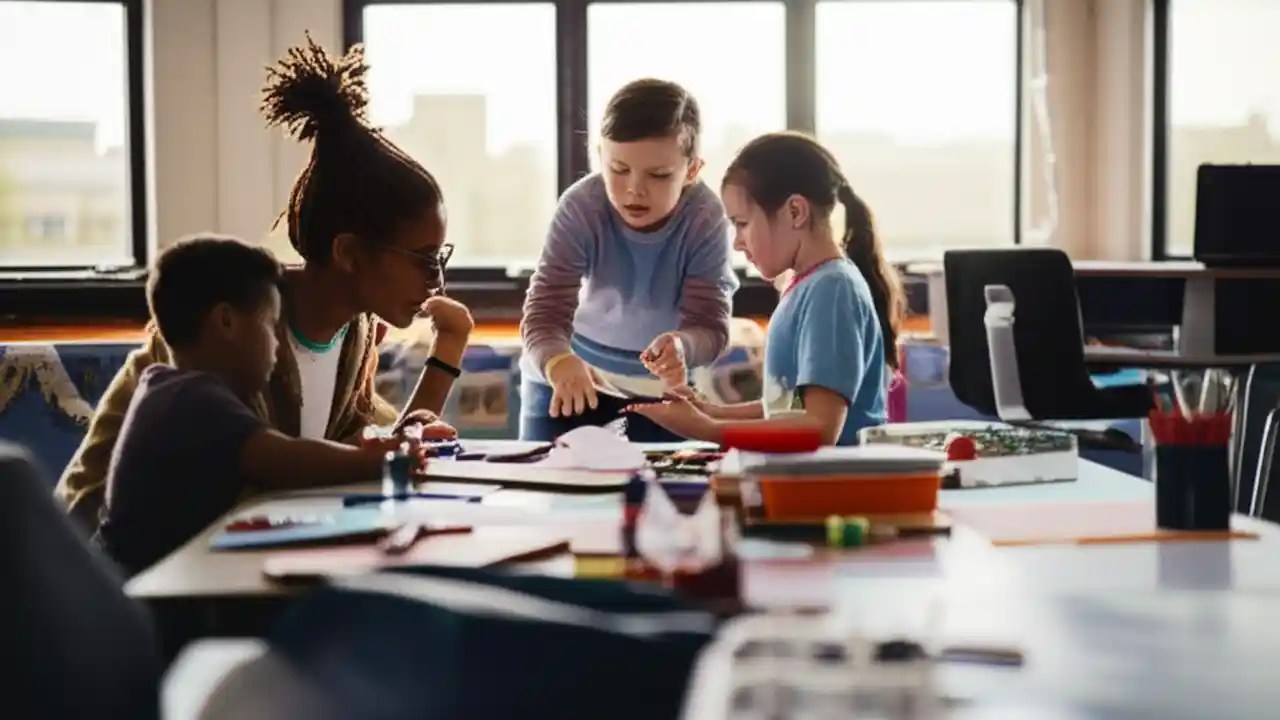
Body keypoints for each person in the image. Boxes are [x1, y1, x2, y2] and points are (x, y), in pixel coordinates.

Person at [55, 34, 472, 531]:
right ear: (349, 254)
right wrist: (378, 456)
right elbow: (271, 468)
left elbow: (352, 447)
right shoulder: (228, 328)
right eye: (421, 259)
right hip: (110, 566)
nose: (435, 280)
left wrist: (431, 387)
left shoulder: (356, 333)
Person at [96, 236, 424, 577]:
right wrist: (381, 462)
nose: (278, 344)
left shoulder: (170, 389)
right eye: (270, 325)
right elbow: (283, 460)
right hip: (144, 600)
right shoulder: (193, 400)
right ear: (226, 322)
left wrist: (355, 451)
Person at [631, 132, 904, 446]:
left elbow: (819, 427)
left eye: (742, 223)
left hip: (837, 487)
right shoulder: (808, 286)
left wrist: (707, 429)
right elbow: (787, 408)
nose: (736, 241)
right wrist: (708, 411)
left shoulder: (832, 290)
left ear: (795, 212)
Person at [519, 78, 739, 441]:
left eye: (659, 175)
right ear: (599, 156)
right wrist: (558, 361)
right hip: (569, 376)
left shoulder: (705, 216)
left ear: (693, 170)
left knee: (662, 492)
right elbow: (544, 311)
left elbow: (711, 328)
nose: (634, 189)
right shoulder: (581, 205)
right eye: (618, 170)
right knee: (548, 487)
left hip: (659, 394)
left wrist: (683, 345)